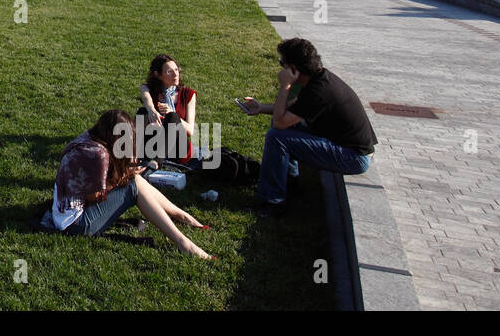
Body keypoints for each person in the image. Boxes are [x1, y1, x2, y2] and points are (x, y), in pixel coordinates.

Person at [45, 110, 212, 259]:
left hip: (62, 212)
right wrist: (121, 179)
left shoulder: (89, 138)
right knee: (132, 186)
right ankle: (184, 243)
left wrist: (126, 173)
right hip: (75, 225)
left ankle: (181, 216)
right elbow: (94, 197)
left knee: (135, 180)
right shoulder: (98, 155)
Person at [238, 38, 377, 213]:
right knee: (280, 127)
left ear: (294, 69)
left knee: (277, 137)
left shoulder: (319, 91)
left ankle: (272, 202)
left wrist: (285, 86)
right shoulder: (318, 79)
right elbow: (289, 109)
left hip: (354, 157)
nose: (281, 68)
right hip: (349, 147)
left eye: (283, 63)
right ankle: (289, 180)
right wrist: (261, 108)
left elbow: (281, 122)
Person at [137, 54, 197, 163]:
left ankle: (155, 163)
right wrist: (152, 111)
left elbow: (190, 131)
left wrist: (171, 113)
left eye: (176, 70)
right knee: (143, 113)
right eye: (169, 72)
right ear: (158, 75)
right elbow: (147, 100)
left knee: (172, 117)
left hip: (178, 149)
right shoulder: (147, 89)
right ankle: (140, 158)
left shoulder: (188, 94)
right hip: (154, 144)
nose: (175, 74)